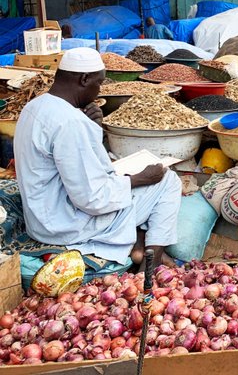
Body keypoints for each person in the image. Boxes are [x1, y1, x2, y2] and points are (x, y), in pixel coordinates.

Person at [14, 48, 181, 268]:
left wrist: (94, 128)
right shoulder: (71, 122)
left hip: (40, 221)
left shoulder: (35, 106)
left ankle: (139, 244)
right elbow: (93, 199)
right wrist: (139, 179)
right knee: (168, 180)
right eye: (99, 83)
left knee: (129, 183)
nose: (99, 91)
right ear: (84, 79)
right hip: (67, 226)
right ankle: (150, 266)